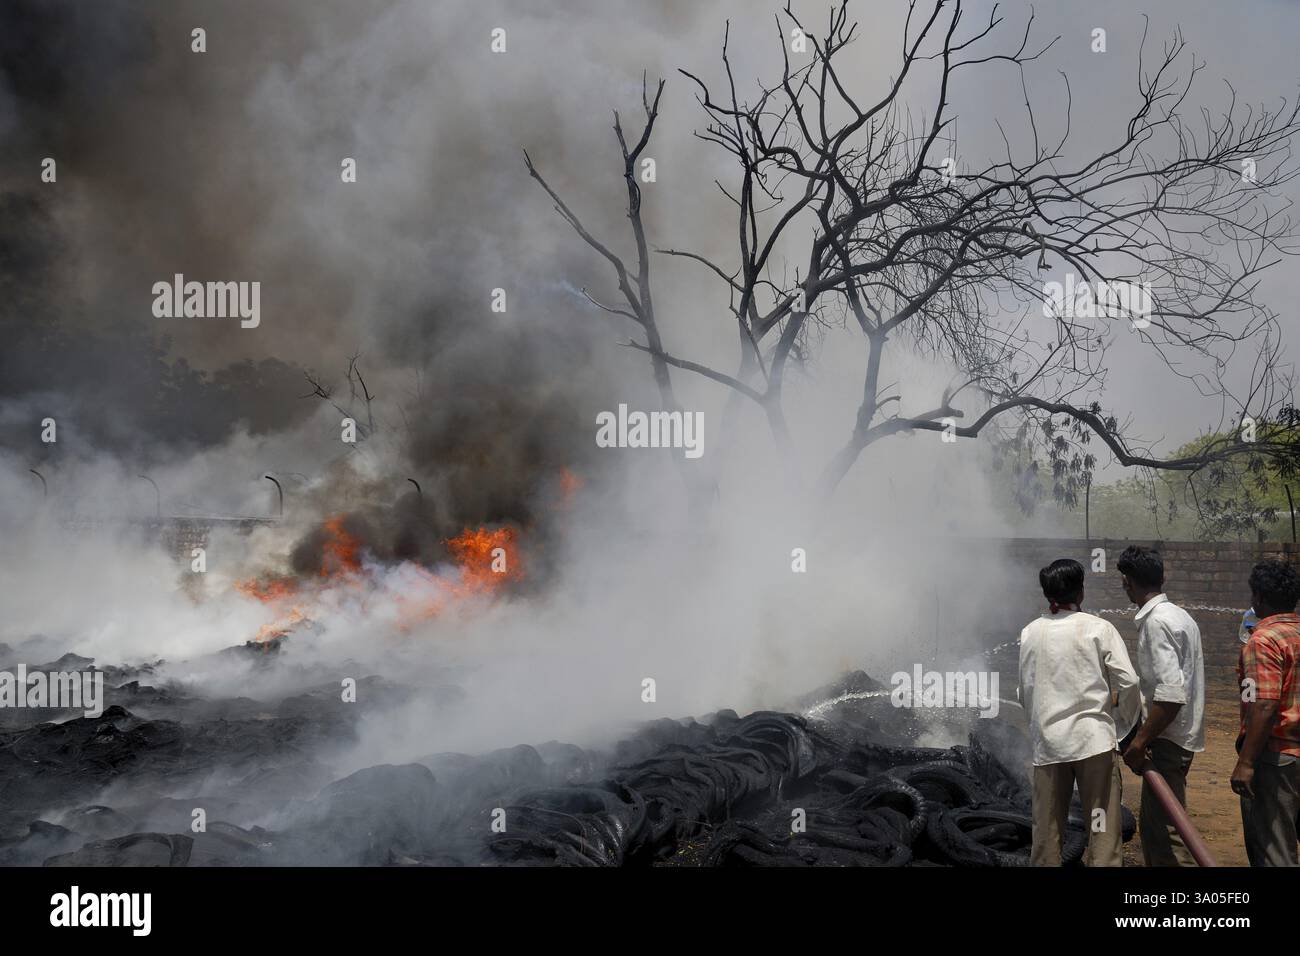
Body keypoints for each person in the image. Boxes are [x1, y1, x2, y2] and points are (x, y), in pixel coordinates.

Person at [1019, 558, 1141, 866]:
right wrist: (1125, 726)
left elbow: (1025, 691)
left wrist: (1042, 722)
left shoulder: (1031, 632)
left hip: (1050, 746)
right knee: (1101, 828)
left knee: (1047, 833)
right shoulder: (1099, 628)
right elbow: (1128, 681)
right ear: (1081, 592)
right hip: (1094, 744)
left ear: (1047, 595)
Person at [1116, 546, 1205, 867]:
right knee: (1163, 827)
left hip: (1167, 741)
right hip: (1180, 737)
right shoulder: (1180, 616)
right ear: (1162, 577)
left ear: (1127, 582)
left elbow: (1170, 695)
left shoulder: (1157, 623)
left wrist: (1140, 743)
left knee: (1165, 838)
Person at [1231, 560, 1300, 866]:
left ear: (1258, 597)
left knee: (1274, 851)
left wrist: (1246, 762)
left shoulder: (1263, 641)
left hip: (1277, 759)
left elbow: (1265, 704)